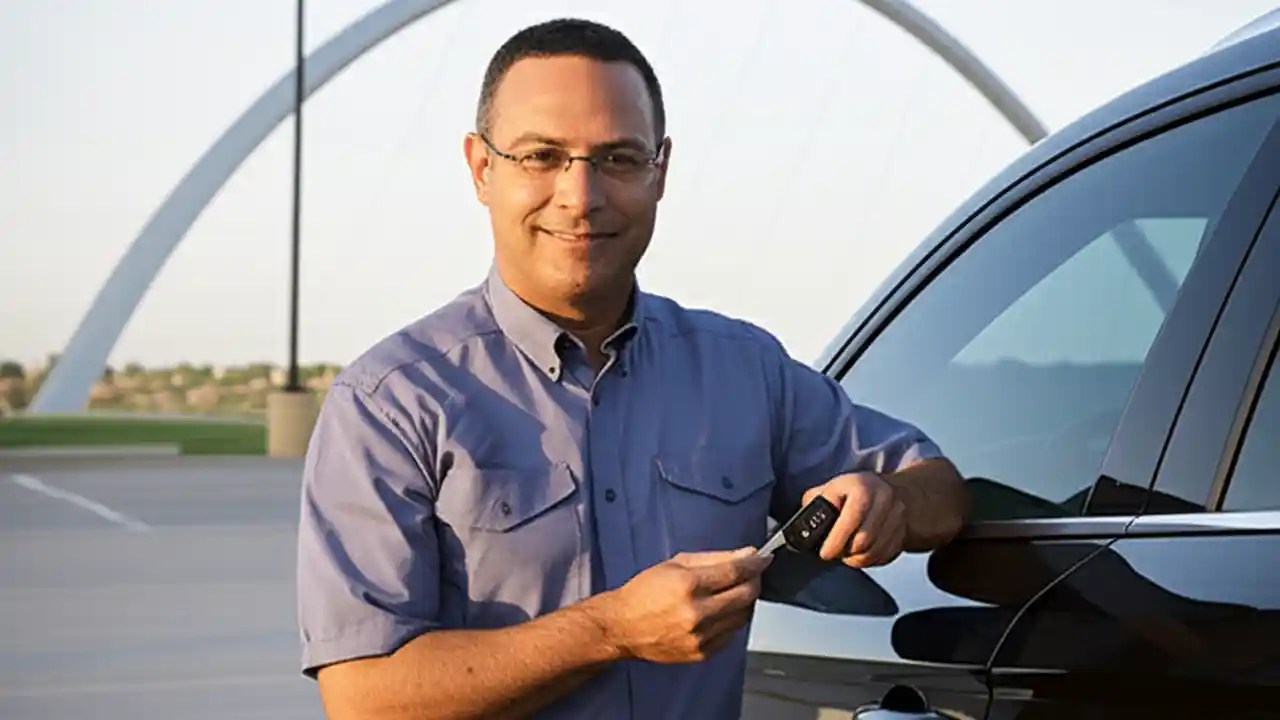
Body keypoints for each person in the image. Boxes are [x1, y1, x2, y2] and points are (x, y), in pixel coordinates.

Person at [296, 17, 968, 720]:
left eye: (617, 158)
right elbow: (365, 698)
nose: (581, 197)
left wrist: (888, 502)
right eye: (541, 156)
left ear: (661, 171)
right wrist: (609, 630)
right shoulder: (390, 402)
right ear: (481, 167)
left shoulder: (744, 370)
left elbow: (939, 488)